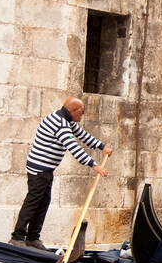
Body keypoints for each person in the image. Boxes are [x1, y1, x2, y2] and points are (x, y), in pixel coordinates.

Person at [11, 97, 111, 250]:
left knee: (43, 202)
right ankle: (17, 237)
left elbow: (82, 135)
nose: (82, 115)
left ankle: (32, 238)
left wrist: (102, 146)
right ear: (73, 111)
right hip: (39, 170)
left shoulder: (66, 120)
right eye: (82, 112)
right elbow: (74, 147)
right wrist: (94, 165)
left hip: (45, 169)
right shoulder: (61, 125)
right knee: (33, 202)